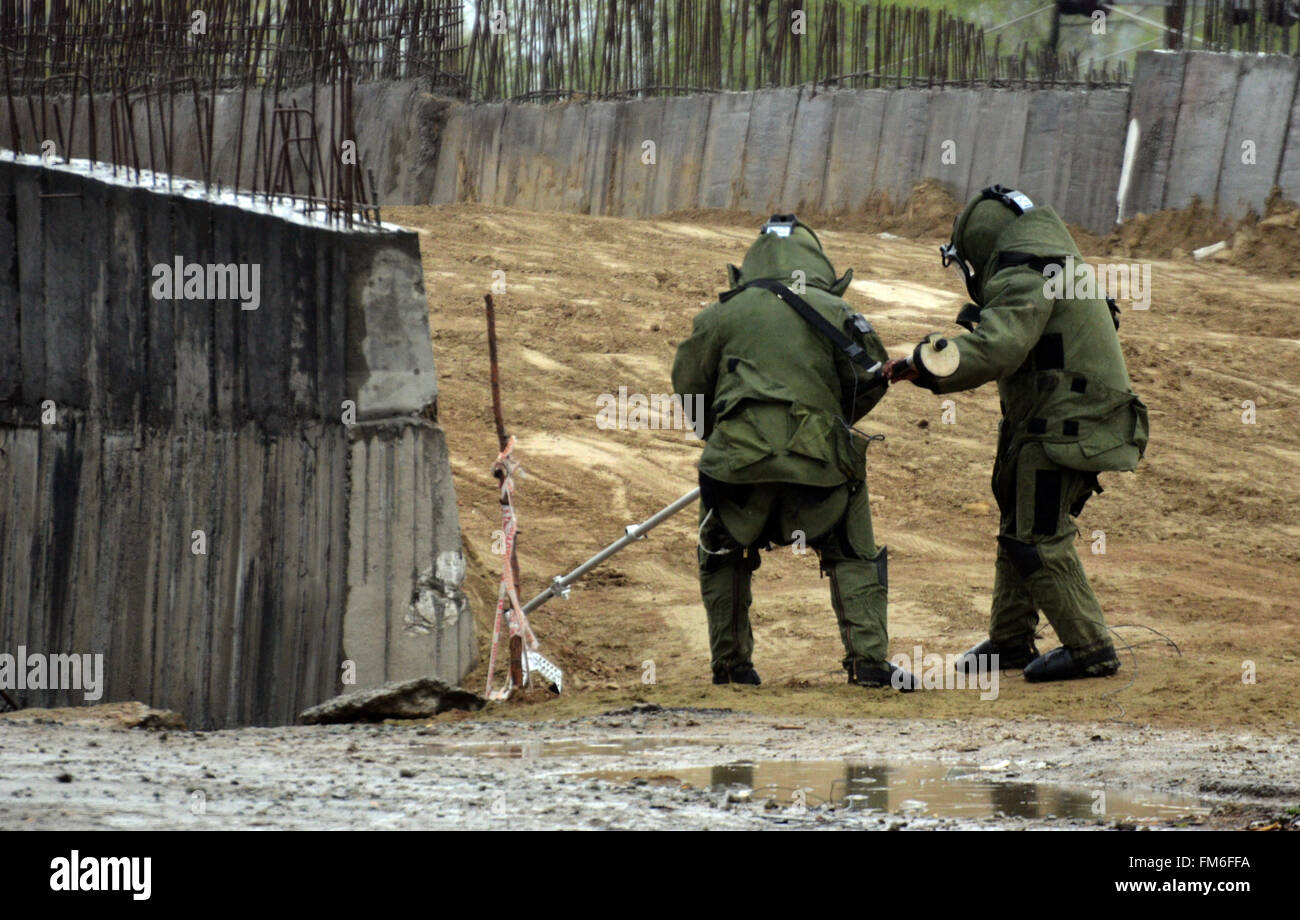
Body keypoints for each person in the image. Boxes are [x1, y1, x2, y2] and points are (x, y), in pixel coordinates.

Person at [890, 186, 1148, 682]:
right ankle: (1010, 641)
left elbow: (1000, 345)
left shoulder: (1028, 271)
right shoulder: (1050, 262)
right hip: (1060, 420)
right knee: (1019, 524)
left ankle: (1090, 647)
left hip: (1069, 426)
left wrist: (929, 362)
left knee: (1038, 538)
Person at [672, 215, 915, 691]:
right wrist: (830, 428)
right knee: (851, 552)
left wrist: (720, 437)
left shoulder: (719, 315)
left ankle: (732, 666)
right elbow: (870, 380)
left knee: (722, 550)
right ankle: (868, 663)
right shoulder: (838, 312)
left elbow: (689, 386)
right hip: (820, 467)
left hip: (737, 466)